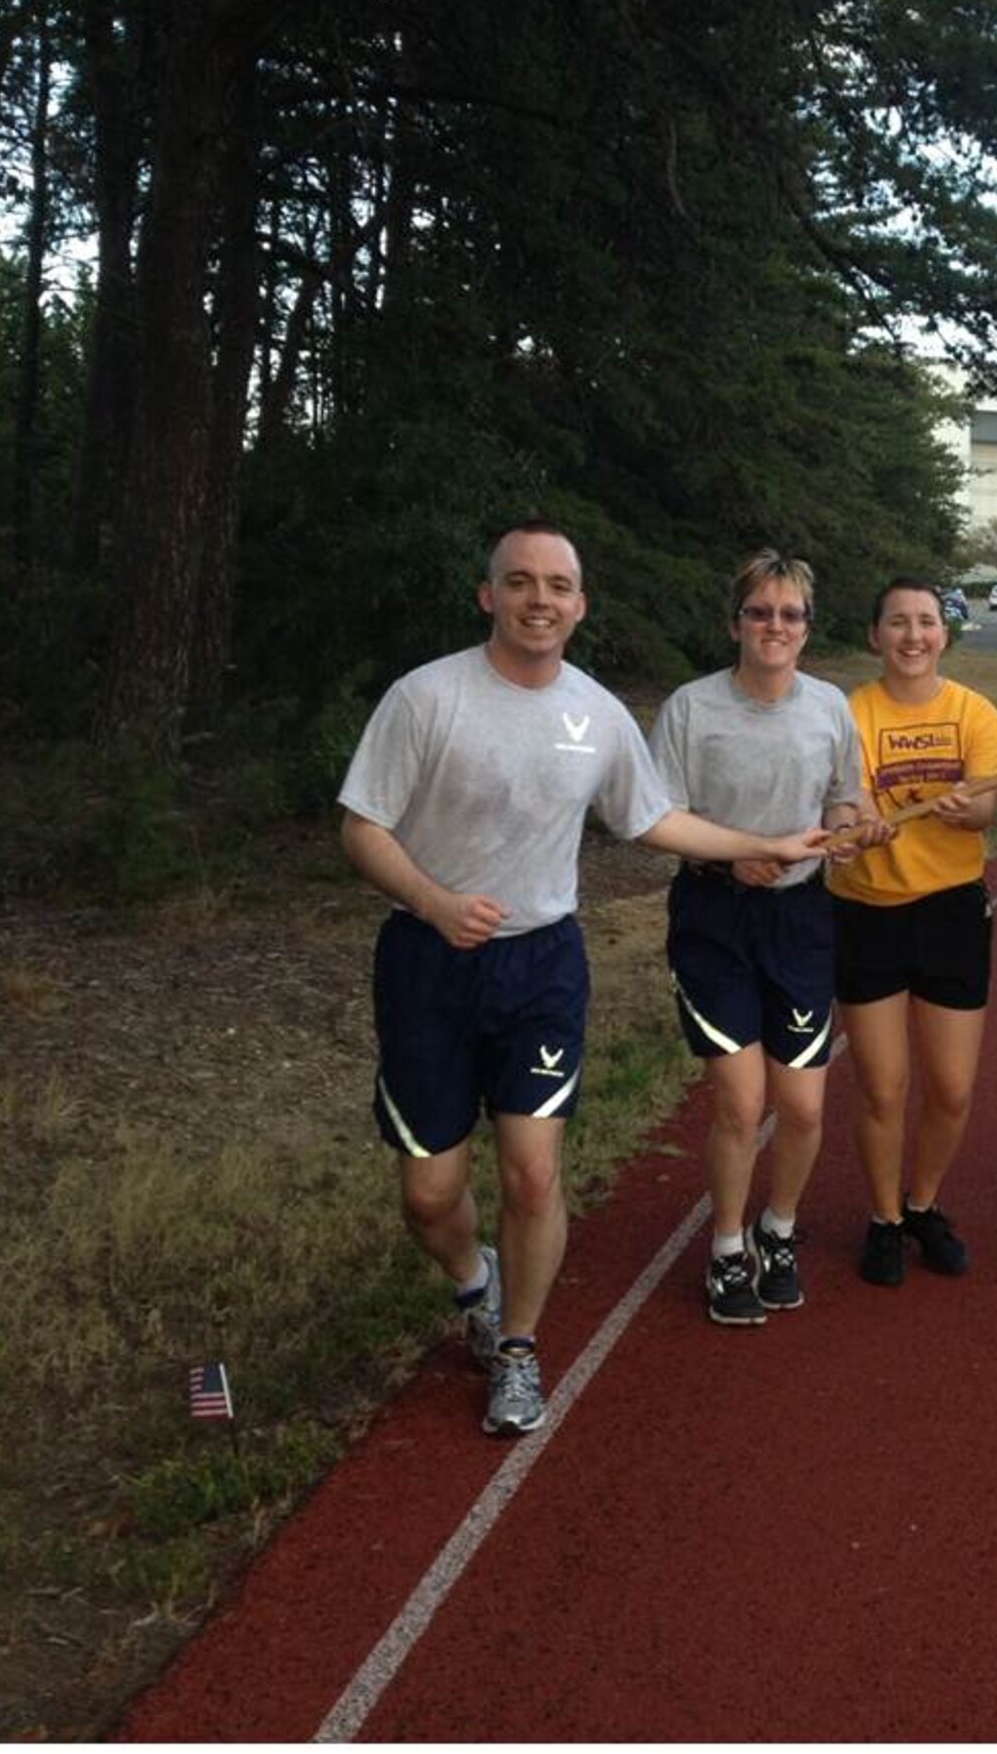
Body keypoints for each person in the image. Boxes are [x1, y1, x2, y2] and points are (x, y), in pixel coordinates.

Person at [338, 523, 829, 1436]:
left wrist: (760, 845)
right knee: (430, 1194)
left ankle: (518, 1349)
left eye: (558, 586)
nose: (540, 600)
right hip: (428, 961)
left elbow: (655, 820)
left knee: (532, 1174)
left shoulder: (597, 715)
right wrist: (433, 901)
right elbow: (362, 826)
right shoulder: (426, 697)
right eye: (521, 582)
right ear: (489, 595)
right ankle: (475, 1283)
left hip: (543, 966)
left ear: (580, 605)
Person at [648, 549, 890, 1325]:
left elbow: (843, 800)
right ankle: (726, 1247)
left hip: (799, 919)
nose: (774, 626)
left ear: (807, 628)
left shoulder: (829, 707)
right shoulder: (690, 708)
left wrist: (852, 828)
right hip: (715, 917)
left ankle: (777, 1230)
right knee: (741, 1102)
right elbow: (660, 819)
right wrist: (731, 855)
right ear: (735, 624)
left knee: (805, 1108)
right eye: (760, 612)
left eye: (789, 614)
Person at [830, 577, 997, 1287]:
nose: (913, 636)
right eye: (898, 622)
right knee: (882, 1089)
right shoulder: (848, 714)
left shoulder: (974, 713)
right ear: (875, 635)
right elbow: (847, 799)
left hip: (951, 912)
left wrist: (969, 810)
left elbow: (987, 811)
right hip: (867, 912)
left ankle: (923, 1204)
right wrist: (857, 819)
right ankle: (883, 1218)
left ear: (944, 633)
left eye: (927, 622)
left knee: (952, 1089)